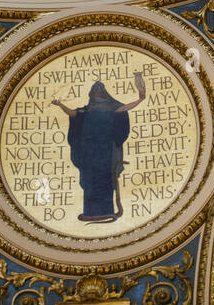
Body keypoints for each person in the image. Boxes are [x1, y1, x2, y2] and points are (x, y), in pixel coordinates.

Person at [53, 72, 146, 222]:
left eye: (99, 90)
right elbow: (72, 113)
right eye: (95, 91)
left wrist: (140, 100)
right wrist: (60, 105)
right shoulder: (85, 110)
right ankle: (90, 213)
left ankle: (107, 211)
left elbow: (125, 108)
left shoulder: (112, 108)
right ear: (91, 94)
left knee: (105, 180)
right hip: (89, 154)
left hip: (106, 153)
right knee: (90, 182)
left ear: (104, 93)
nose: (97, 93)